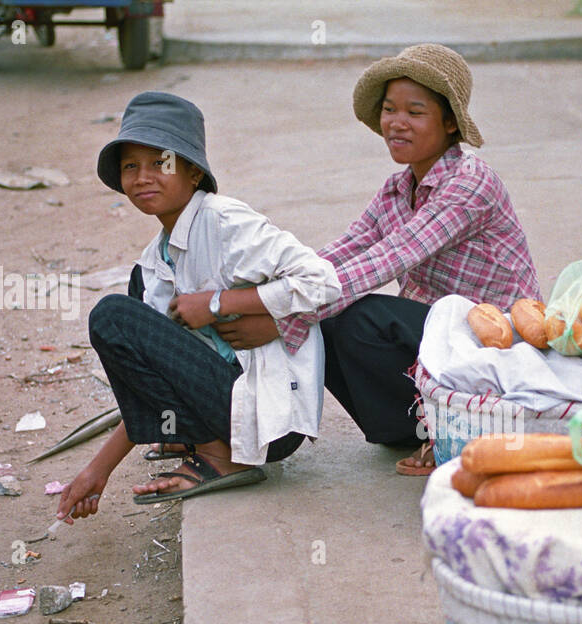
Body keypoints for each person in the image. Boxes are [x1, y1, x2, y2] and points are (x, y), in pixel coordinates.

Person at [212, 44, 541, 475]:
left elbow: (385, 260)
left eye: (415, 112)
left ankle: (448, 431)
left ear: (448, 122)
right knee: (325, 317)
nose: (396, 123)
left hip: (494, 348)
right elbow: (340, 254)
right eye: (390, 110)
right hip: (440, 346)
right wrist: (255, 291)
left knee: (363, 315)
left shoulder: (470, 182)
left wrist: (271, 314)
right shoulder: (396, 188)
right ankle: (408, 427)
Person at [54, 92, 340, 526]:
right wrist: (98, 471)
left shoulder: (223, 222)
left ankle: (217, 457)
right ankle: (194, 441)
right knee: (136, 296)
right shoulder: (155, 260)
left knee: (113, 315)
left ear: (192, 172)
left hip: (270, 424)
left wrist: (216, 303)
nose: (143, 177)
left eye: (161, 163)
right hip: (225, 407)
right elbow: (146, 377)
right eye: (131, 166)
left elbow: (322, 282)